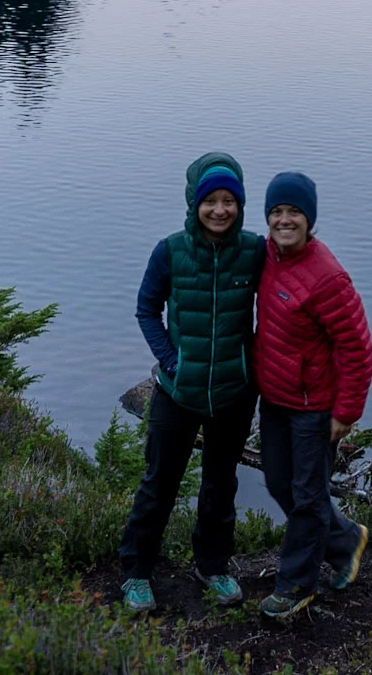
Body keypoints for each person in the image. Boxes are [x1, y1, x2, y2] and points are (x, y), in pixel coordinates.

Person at [117, 152, 265, 613]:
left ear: (240, 205)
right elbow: (146, 309)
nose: (220, 210)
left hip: (233, 395)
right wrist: (170, 360)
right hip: (176, 392)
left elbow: (289, 296)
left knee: (221, 486)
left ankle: (213, 565)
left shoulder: (256, 252)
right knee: (158, 484)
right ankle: (136, 573)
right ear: (194, 203)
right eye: (210, 201)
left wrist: (255, 365)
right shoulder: (170, 251)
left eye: (229, 201)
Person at [252, 170, 372, 620]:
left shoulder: (328, 278)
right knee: (279, 483)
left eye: (294, 212)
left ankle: (295, 586)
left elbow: (357, 347)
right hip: (276, 399)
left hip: (314, 407)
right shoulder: (266, 257)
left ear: (310, 219)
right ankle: (345, 541)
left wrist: (346, 411)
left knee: (307, 496)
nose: (285, 220)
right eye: (277, 212)